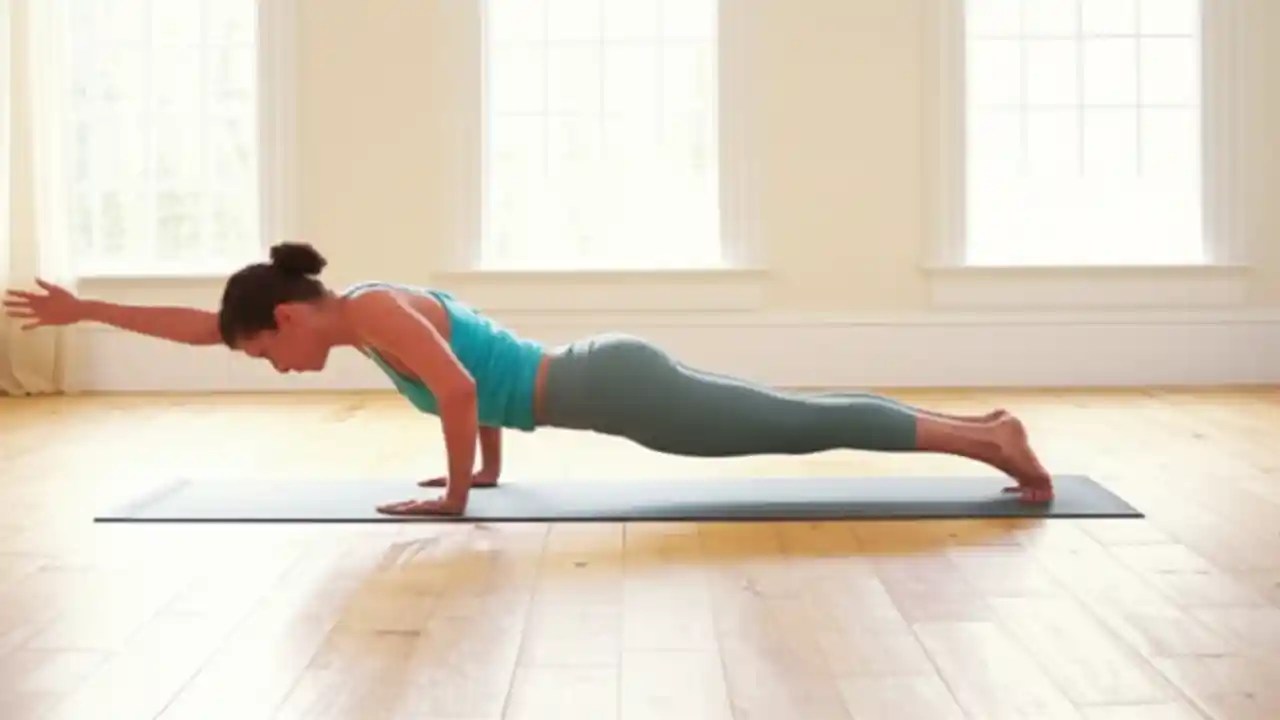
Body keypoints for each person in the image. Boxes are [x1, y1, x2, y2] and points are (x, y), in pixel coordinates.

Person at [4, 242, 1054, 516]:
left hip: (615, 390)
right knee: (788, 420)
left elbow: (462, 394)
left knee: (787, 426)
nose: (273, 368)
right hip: (607, 386)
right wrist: (91, 310)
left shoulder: (368, 312)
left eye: (263, 351)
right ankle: (980, 428)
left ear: (286, 317)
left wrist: (460, 496)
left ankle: (985, 439)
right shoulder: (368, 318)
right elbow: (466, 384)